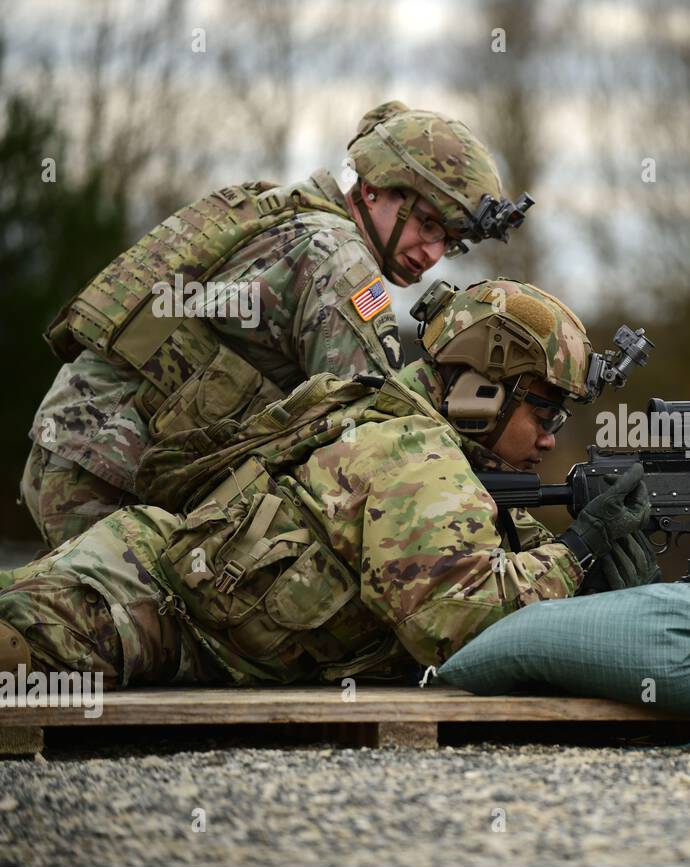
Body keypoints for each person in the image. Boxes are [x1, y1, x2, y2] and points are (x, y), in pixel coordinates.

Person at [0, 280, 658, 687]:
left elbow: (490, 568)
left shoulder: (431, 445)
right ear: (484, 391)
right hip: (133, 601)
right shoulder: (414, 452)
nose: (549, 439)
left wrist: (591, 575)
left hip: (159, 597)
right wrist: (577, 552)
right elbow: (454, 621)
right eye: (544, 413)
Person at [19, 99, 532, 549]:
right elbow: (374, 429)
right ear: (377, 188)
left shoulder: (288, 212)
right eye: (428, 225)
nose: (433, 253)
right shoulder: (340, 261)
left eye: (451, 241)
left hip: (79, 441)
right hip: (110, 467)